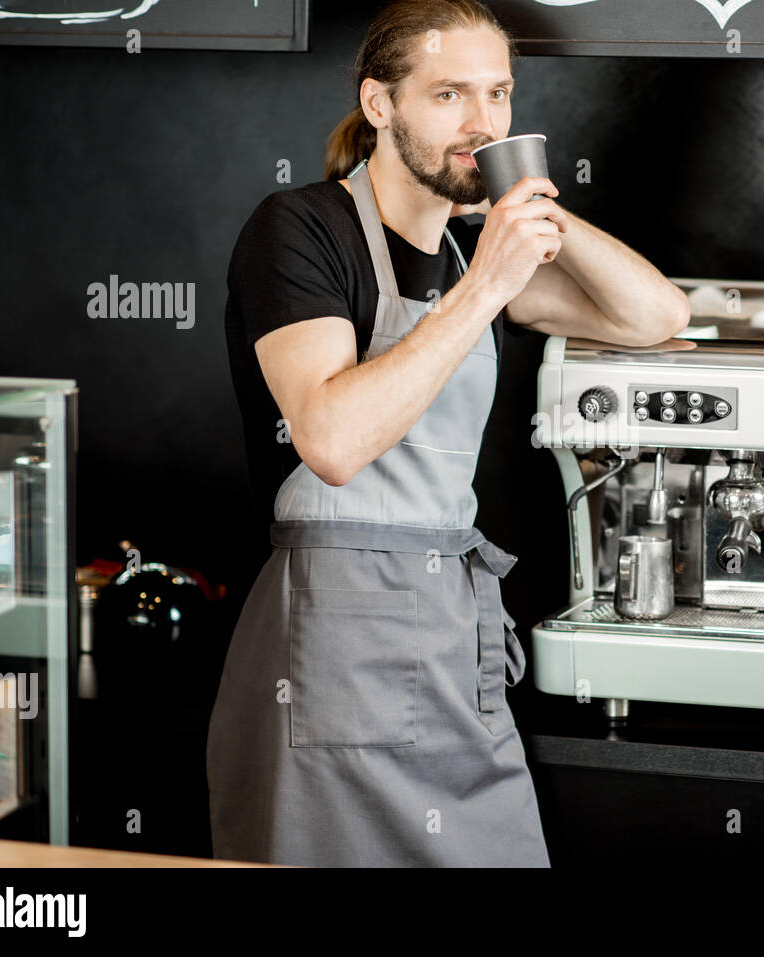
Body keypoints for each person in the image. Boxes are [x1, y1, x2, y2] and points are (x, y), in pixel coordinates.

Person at [206, 0, 689, 867]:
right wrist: (489, 287)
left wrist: (527, 208)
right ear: (381, 105)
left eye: (499, 94)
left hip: (450, 634)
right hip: (335, 648)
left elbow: (656, 315)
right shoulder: (300, 230)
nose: (482, 122)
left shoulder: (475, 254)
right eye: (449, 96)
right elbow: (332, 439)